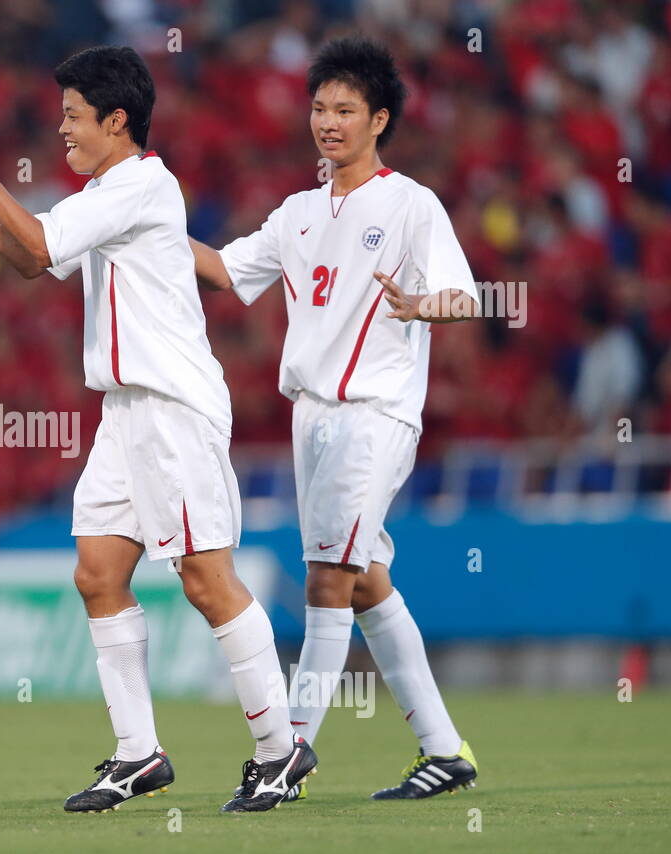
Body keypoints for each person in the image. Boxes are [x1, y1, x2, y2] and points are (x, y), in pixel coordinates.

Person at [0, 46, 314, 813]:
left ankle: (281, 750)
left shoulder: (140, 184)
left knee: (206, 581)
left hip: (171, 406)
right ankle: (139, 754)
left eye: (74, 116)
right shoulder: (113, 192)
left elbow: (37, 247)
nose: (62, 131)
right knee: (98, 574)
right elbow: (24, 258)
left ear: (116, 121)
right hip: (125, 411)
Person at [193, 36, 481, 800]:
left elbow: (468, 296)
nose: (328, 122)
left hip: (376, 414)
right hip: (310, 417)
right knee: (364, 581)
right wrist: (148, 232)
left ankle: (285, 759)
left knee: (327, 576)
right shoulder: (295, 213)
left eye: (345, 110)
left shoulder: (413, 205)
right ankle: (445, 751)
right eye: (320, 107)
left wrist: (423, 304)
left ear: (378, 119)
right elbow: (224, 270)